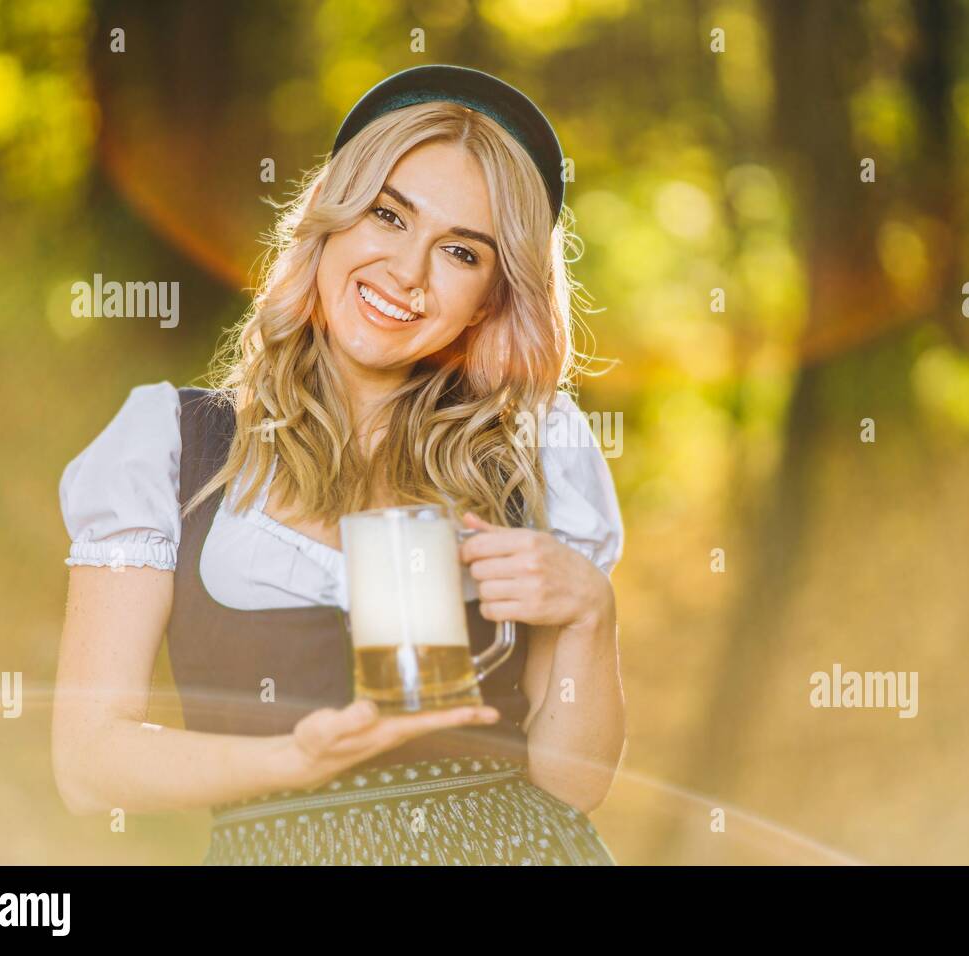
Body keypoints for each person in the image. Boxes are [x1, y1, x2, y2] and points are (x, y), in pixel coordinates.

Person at [52, 65, 626, 865]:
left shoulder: (535, 450)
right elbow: (87, 763)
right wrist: (291, 762)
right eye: (388, 215)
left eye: (460, 252)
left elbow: (574, 786)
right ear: (331, 216)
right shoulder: (169, 445)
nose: (407, 273)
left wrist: (590, 614)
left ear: (493, 296)